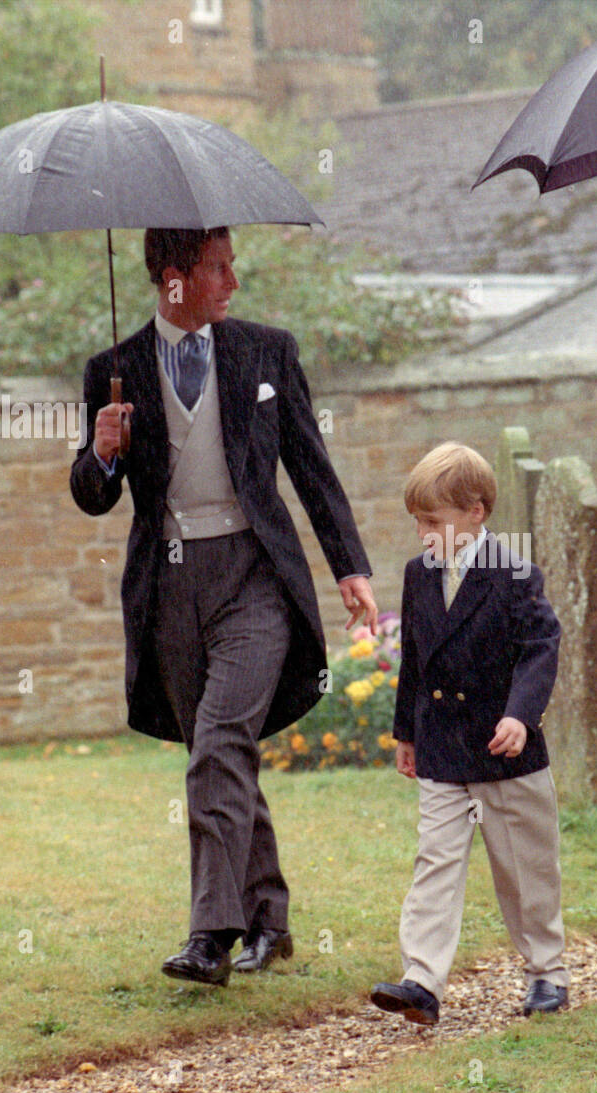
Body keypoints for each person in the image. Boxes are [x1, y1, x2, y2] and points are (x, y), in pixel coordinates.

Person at [70, 226, 377, 986]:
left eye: (232, 265)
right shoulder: (111, 371)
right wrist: (102, 450)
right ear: (173, 278)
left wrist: (349, 567)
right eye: (217, 267)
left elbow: (310, 461)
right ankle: (269, 919)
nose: (232, 281)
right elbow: (92, 495)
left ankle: (210, 934)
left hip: (255, 576)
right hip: (168, 584)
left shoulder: (266, 351)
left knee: (217, 744)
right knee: (220, 749)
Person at [370, 442, 568, 1024]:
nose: (422, 533)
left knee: (525, 870)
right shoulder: (417, 575)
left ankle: (546, 974)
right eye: (417, 521)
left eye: (433, 521)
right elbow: (416, 657)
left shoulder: (514, 573)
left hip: (506, 751)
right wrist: (407, 731)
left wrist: (520, 715)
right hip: (442, 750)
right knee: (435, 861)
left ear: (476, 511)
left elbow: (540, 648)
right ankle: (421, 981)